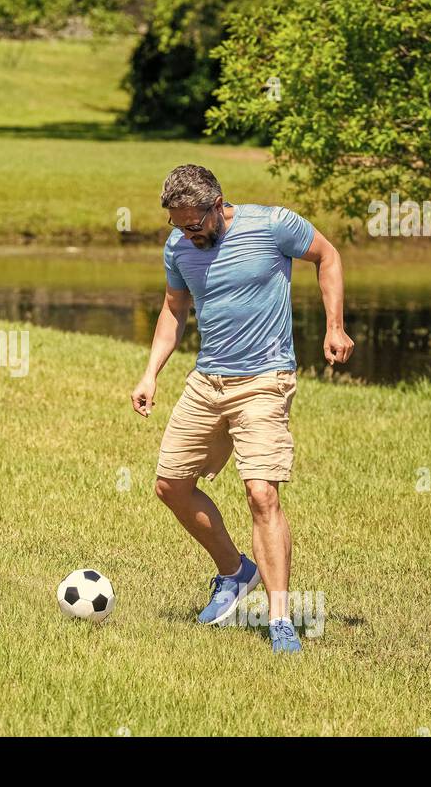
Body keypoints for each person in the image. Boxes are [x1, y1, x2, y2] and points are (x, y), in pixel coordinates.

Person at [131, 165, 353, 653]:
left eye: (194, 224)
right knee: (170, 485)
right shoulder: (179, 249)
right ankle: (235, 572)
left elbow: (328, 255)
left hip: (265, 380)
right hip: (207, 380)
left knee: (261, 494)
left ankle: (279, 621)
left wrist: (334, 326)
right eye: (177, 225)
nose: (187, 234)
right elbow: (174, 308)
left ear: (217, 205)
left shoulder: (272, 224)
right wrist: (151, 373)